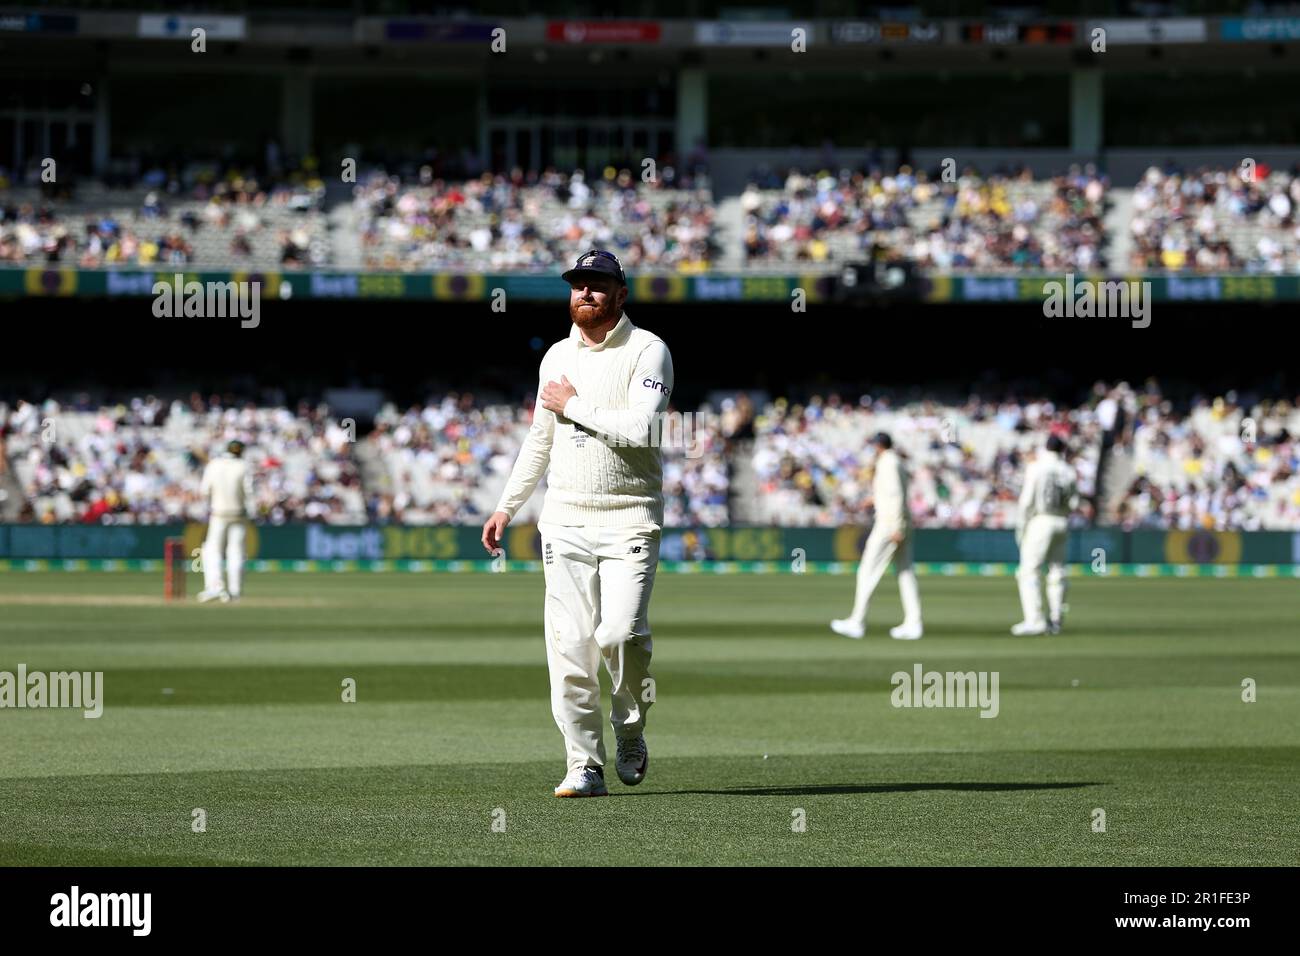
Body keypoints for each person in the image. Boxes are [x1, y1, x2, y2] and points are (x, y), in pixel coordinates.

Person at [481, 249, 674, 798]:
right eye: (577, 285)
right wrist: (506, 505)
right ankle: (583, 764)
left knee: (621, 635)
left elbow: (641, 428)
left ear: (620, 294)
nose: (584, 293)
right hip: (563, 520)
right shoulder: (556, 357)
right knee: (569, 649)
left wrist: (574, 405)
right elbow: (540, 440)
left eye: (596, 285)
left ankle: (630, 727)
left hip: (630, 518)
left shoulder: (648, 350)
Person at [831, 431, 923, 640]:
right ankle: (914, 622)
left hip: (889, 524)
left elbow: (896, 495)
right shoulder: (894, 461)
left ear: (879, 446)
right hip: (898, 521)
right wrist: (872, 500)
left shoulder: (887, 463)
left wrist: (896, 527)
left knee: (867, 570)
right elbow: (891, 493)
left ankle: (857, 621)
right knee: (905, 573)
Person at [1012, 434, 1077, 636]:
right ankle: (1056, 619)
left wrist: (1022, 526)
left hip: (1041, 520)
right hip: (1062, 520)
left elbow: (1026, 502)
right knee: (1058, 570)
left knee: (1029, 571)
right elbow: (1073, 503)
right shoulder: (1069, 471)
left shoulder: (1036, 467)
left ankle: (1035, 620)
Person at [197, 439, 254, 603]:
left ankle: (215, 587)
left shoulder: (213, 465)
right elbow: (249, 492)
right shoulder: (243, 466)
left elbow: (204, 491)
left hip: (218, 514)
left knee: (212, 551)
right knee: (236, 552)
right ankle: (235, 592)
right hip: (238, 514)